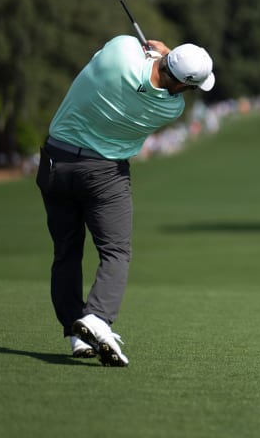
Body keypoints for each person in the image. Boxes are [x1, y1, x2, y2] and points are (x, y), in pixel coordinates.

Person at [36, 35, 215, 366]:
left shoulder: (120, 50)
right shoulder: (170, 107)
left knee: (67, 251)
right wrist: (163, 57)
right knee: (115, 252)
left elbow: (142, 51)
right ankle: (98, 319)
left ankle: (77, 333)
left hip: (54, 162)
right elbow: (161, 79)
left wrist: (159, 53)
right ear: (181, 86)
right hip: (104, 175)